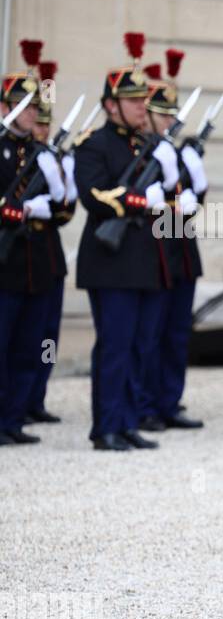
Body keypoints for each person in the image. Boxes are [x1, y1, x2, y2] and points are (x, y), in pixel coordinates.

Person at [75, 31, 181, 451]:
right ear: (110, 105)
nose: (142, 106)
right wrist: (139, 199)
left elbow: (172, 200)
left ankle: (129, 419)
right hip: (111, 260)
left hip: (146, 260)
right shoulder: (94, 145)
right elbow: (94, 194)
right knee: (115, 346)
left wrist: (172, 184)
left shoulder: (151, 145)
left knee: (141, 345)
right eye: (134, 100)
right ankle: (106, 426)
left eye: (143, 100)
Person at [135, 50, 206, 432]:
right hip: (152, 252)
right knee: (150, 333)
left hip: (181, 249)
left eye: (170, 115)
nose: (169, 121)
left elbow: (192, 199)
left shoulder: (172, 150)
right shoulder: (141, 151)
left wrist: (196, 177)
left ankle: (169, 400)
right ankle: (145, 403)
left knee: (177, 333)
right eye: (163, 114)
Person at [0, 41, 61, 447]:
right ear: (5, 109)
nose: (32, 115)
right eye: (23, 108)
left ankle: (14, 416)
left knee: (31, 346)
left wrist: (52, 196)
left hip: (36, 265)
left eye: (35, 109)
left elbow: (62, 207)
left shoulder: (38, 152)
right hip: (3, 264)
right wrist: (20, 212)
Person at [24, 59, 77, 428]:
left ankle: (37, 396)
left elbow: (65, 213)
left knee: (47, 338)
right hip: (16, 255)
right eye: (38, 121)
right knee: (17, 335)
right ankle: (15, 400)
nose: (43, 130)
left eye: (46, 122)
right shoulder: (17, 157)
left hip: (48, 257)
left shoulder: (51, 158)